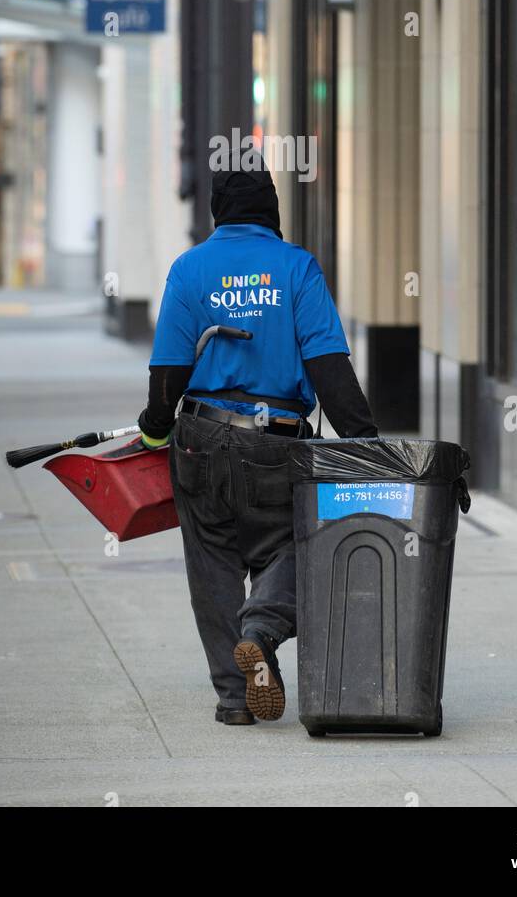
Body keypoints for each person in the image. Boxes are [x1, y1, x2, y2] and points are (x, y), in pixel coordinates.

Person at [138, 154, 377, 727]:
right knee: (299, 540)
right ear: (271, 208)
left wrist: (154, 427)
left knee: (213, 561)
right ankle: (263, 629)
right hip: (278, 440)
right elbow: (329, 368)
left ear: (218, 211)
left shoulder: (189, 269)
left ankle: (235, 698)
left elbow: (168, 368)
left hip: (199, 436)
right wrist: (366, 446)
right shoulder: (296, 268)